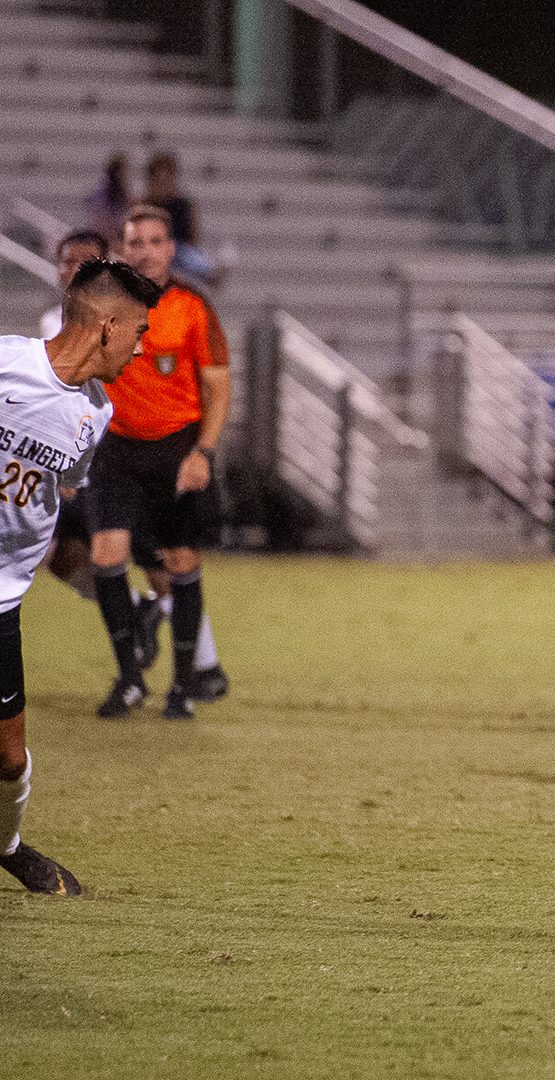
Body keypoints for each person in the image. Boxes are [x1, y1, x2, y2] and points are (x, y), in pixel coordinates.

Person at [3, 257, 164, 893]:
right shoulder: (7, 362)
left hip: (3, 605)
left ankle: (7, 844)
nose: (142, 346)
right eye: (140, 331)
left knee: (10, 760)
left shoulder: (94, 415)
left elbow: (53, 495)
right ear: (105, 326)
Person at [86, 204, 233, 718]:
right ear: (122, 249)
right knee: (106, 558)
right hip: (119, 447)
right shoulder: (103, 302)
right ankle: (129, 680)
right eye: (135, 242)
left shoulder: (193, 306)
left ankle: (183, 687)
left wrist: (204, 452)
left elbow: (218, 387)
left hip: (177, 449)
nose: (144, 251)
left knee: (180, 564)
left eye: (154, 242)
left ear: (171, 249)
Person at [143, 153, 219, 288]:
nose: (163, 187)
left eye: (167, 181)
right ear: (151, 182)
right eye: (159, 182)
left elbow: (193, 241)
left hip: (179, 256)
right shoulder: (142, 207)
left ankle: (207, 272)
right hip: (152, 253)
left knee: (188, 254)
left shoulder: (183, 206)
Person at [84, 155, 130, 243]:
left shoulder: (125, 195)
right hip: (101, 240)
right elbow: (100, 225)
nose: (125, 176)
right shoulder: (98, 197)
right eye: (122, 172)